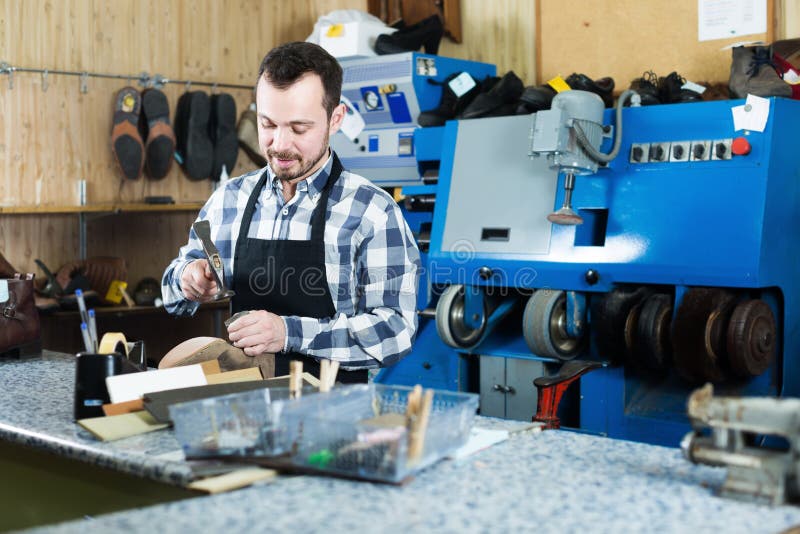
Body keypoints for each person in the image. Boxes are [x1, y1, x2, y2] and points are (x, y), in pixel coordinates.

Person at [162, 42, 421, 383]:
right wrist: (187, 279)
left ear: (335, 119)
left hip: (332, 418)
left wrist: (288, 333)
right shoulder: (230, 200)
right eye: (268, 125)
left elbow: (395, 332)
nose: (280, 144)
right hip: (243, 410)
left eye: (299, 129)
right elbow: (171, 297)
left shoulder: (371, 212)